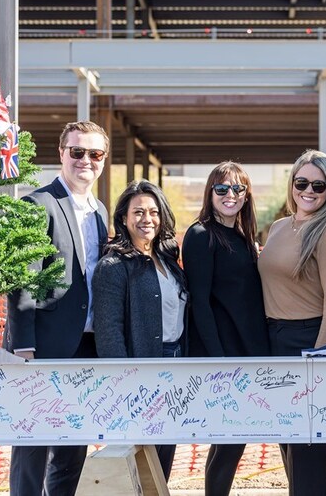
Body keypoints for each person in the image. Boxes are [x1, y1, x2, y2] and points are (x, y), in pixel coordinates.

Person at [4, 120, 109, 496]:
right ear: (61, 153)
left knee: (73, 443)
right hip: (43, 347)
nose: (86, 160)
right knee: (33, 442)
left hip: (87, 345)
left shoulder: (99, 211)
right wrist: (23, 347)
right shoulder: (36, 204)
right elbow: (21, 282)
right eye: (77, 151)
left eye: (95, 154)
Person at [257, 149, 326, 496]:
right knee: (289, 451)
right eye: (302, 182)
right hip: (276, 344)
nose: (309, 190)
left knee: (311, 460)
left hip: (312, 344)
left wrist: (318, 363)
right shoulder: (280, 227)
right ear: (292, 185)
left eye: (319, 184)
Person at [182, 161, 271, 496]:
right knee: (230, 439)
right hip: (225, 355)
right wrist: (217, 360)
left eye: (238, 189)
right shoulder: (201, 234)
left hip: (248, 350)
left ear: (247, 196)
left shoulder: (242, 236)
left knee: (232, 439)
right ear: (210, 193)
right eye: (222, 189)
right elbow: (200, 303)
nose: (230, 195)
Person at [92, 179, 188, 482]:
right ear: (124, 218)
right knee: (138, 457)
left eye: (153, 212)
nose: (147, 219)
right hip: (141, 368)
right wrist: (123, 381)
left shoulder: (168, 260)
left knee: (164, 453)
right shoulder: (113, 266)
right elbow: (108, 331)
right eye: (138, 212)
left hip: (175, 363)